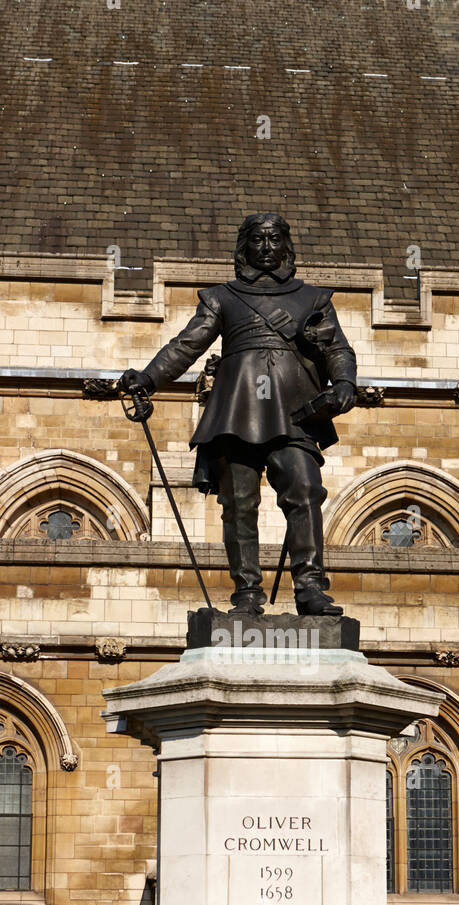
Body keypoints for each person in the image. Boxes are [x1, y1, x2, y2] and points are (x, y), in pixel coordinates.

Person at [121, 212, 357, 616]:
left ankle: (310, 587)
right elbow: (186, 346)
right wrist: (148, 378)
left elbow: (337, 349)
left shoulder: (313, 298)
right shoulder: (222, 297)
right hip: (236, 410)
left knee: (304, 490)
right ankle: (246, 594)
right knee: (239, 503)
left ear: (286, 246)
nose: (266, 248)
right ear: (244, 247)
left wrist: (346, 383)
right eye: (257, 240)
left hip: (294, 411)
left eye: (274, 240)